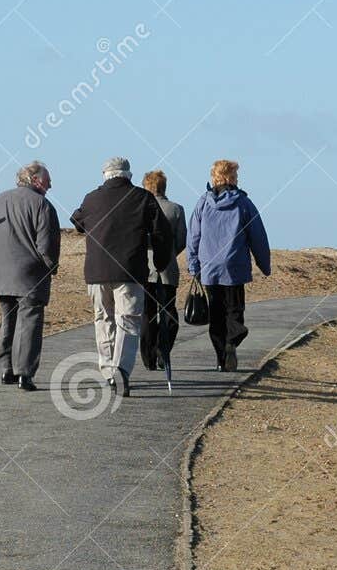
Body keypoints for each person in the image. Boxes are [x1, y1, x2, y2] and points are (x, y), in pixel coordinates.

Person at [70, 157, 170, 397]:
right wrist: (159, 262)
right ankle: (121, 370)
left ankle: (108, 372)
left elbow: (76, 221)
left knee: (103, 320)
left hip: (96, 272)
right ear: (128, 175)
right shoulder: (143, 198)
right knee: (128, 321)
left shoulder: (91, 198)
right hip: (130, 271)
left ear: (105, 175)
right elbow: (162, 233)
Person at [0, 161, 61, 391]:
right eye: (47, 180)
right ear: (35, 180)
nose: (51, 185)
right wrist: (51, 268)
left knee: (8, 321)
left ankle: (6, 369)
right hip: (31, 275)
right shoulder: (42, 205)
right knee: (29, 324)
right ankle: (24, 374)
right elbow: (46, 245)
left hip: (2, 274)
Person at [187, 159, 271, 372]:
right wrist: (264, 265)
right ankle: (232, 342)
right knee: (235, 310)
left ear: (214, 178)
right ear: (232, 178)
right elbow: (257, 236)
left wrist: (193, 265)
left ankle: (220, 359)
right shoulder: (244, 203)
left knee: (216, 314)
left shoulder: (203, 203)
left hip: (209, 268)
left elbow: (193, 237)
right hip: (234, 266)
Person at [138, 170, 187, 373]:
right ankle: (162, 349)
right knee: (169, 313)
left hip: (144, 269)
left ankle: (148, 357)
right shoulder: (176, 209)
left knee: (147, 314)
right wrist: (171, 252)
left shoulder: (139, 209)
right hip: (167, 268)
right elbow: (182, 240)